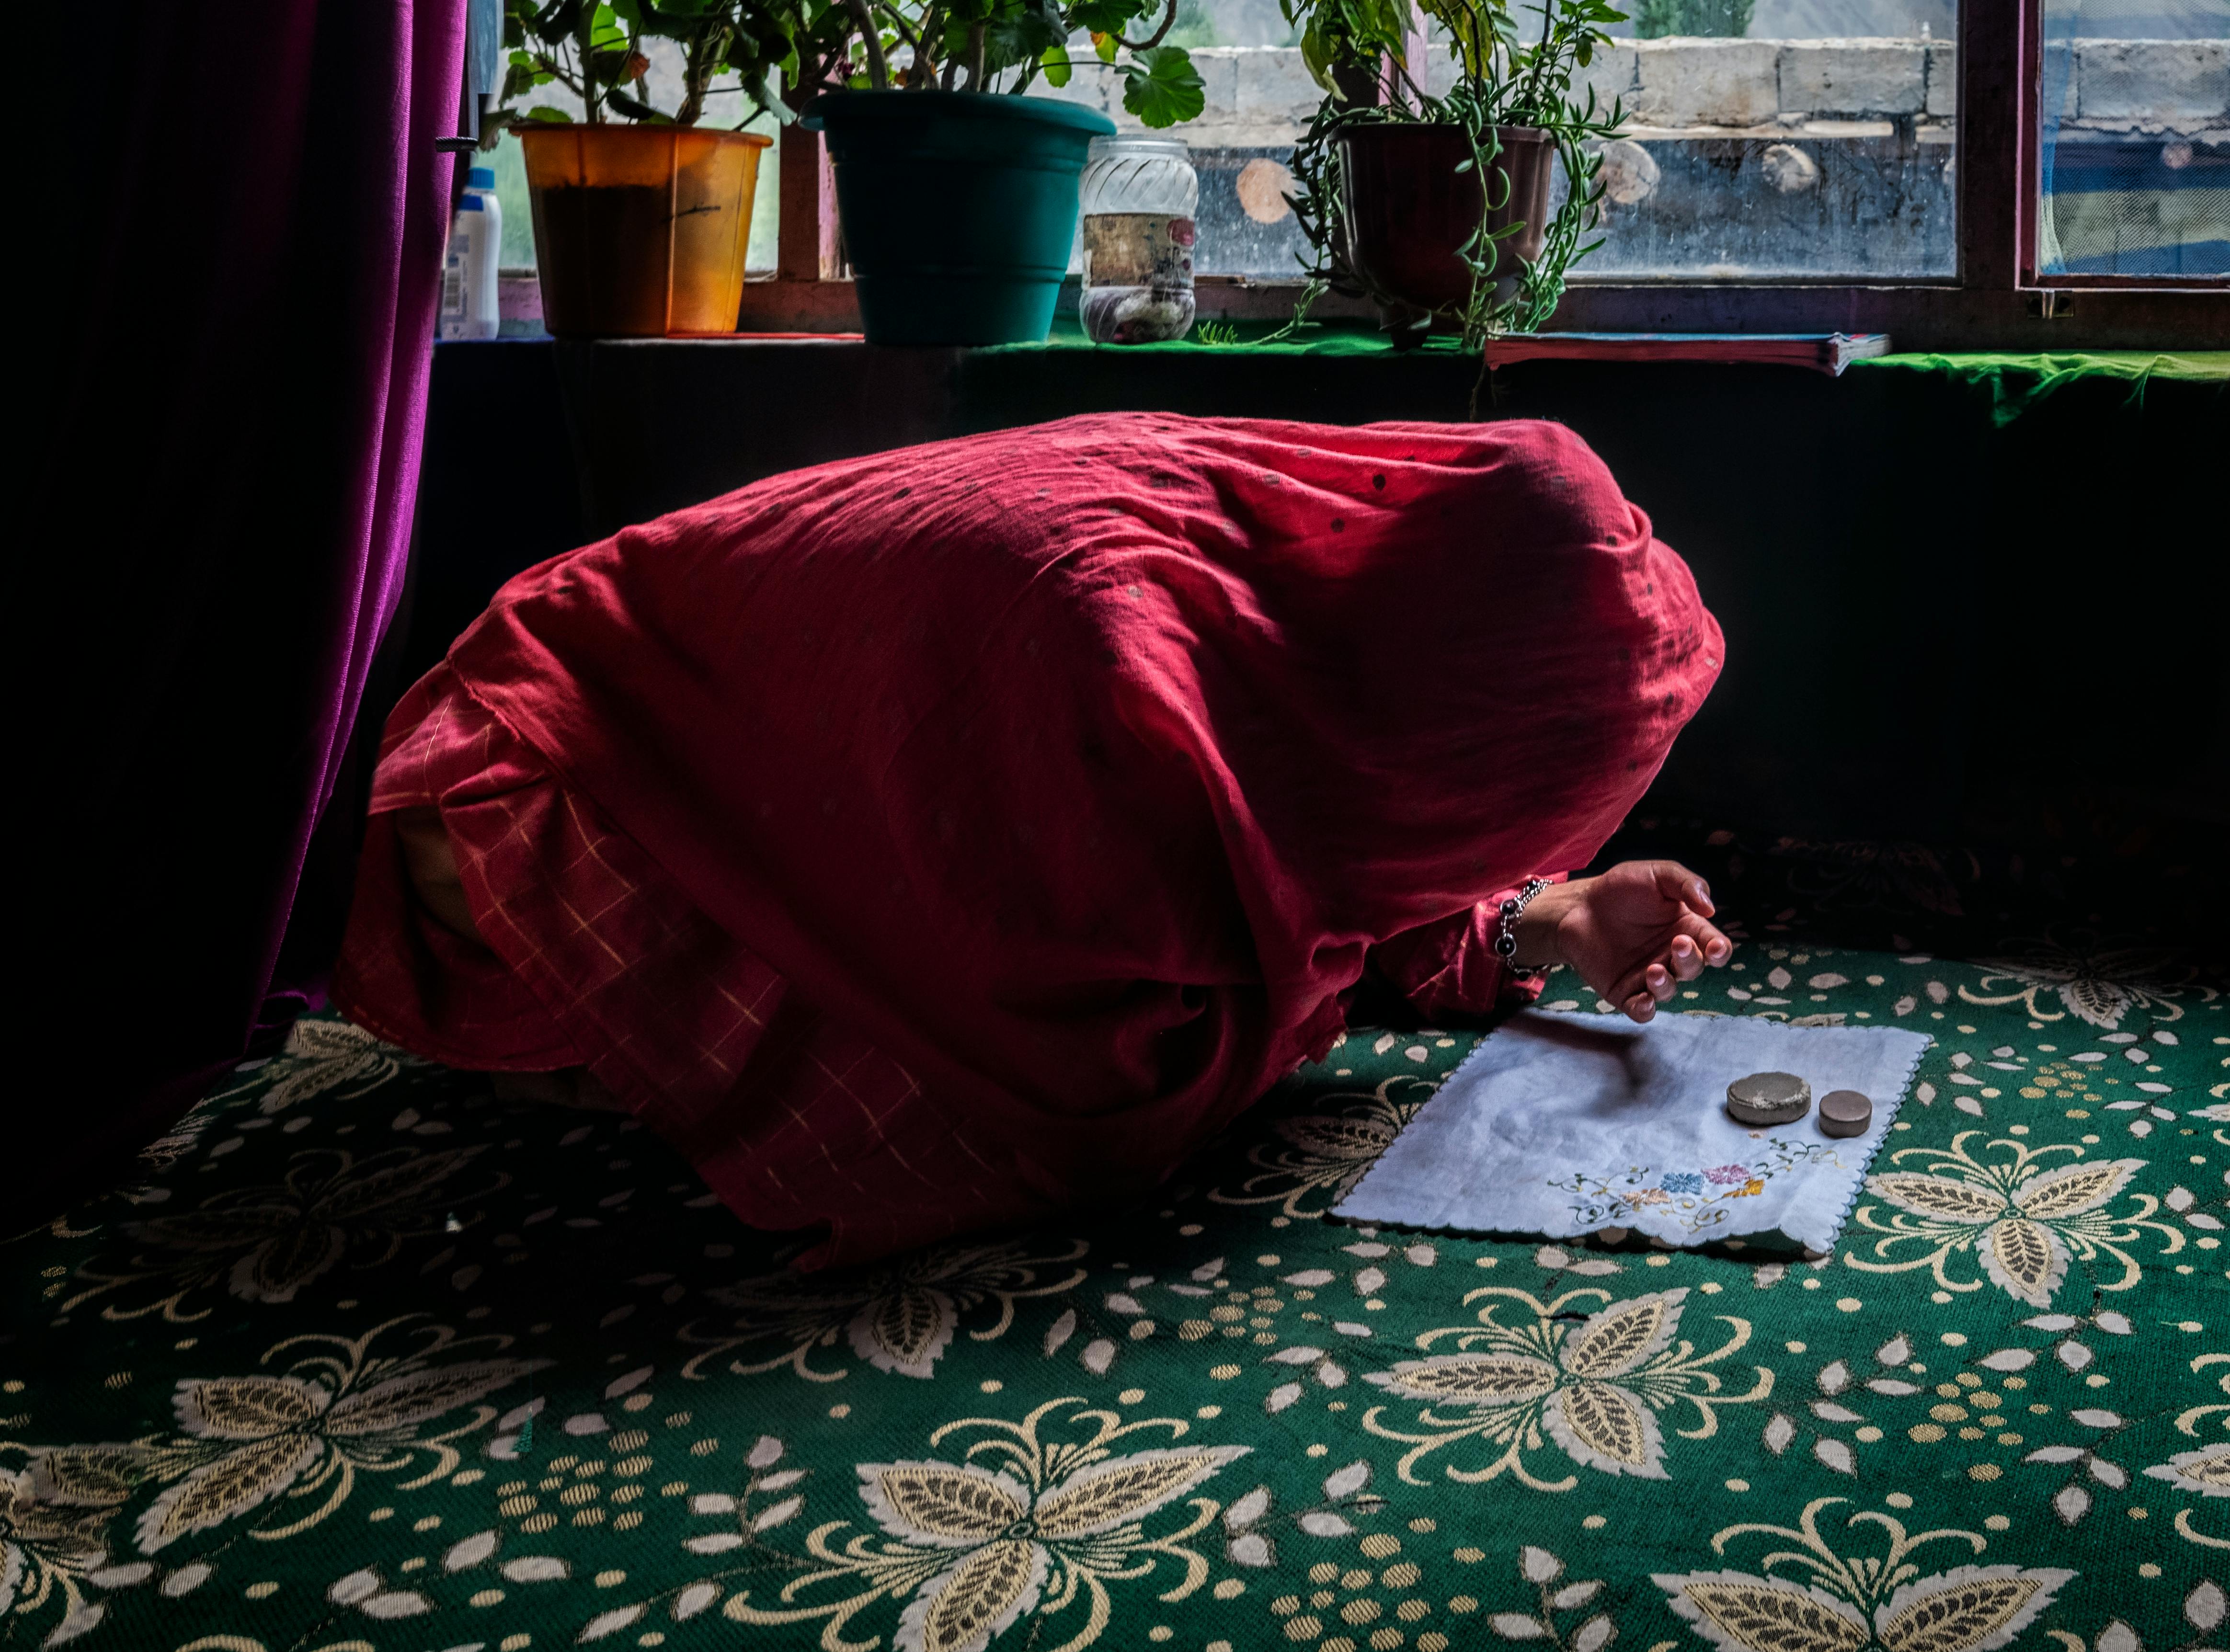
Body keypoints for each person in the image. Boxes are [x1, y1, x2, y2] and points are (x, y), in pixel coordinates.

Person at [333, 411, 1729, 1266]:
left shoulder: (1278, 554)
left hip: (565, 733)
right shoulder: (1113, 664)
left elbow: (1308, 840)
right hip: (511, 839)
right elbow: (1095, 1102)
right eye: (1490, 801)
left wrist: (1534, 914)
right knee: (1019, 1134)